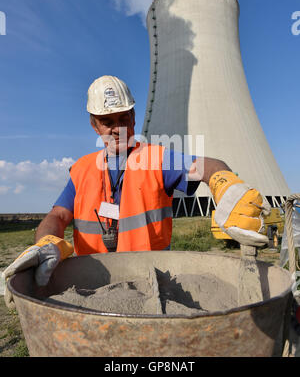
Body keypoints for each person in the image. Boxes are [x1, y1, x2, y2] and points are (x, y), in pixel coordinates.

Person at [3, 75, 271, 304]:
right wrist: (47, 242)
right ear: (94, 124)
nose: (117, 128)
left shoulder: (158, 160)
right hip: (93, 285)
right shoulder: (81, 170)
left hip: (151, 283)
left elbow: (211, 166)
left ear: (133, 116)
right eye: (107, 121)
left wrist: (226, 185)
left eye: (123, 118)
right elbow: (57, 216)